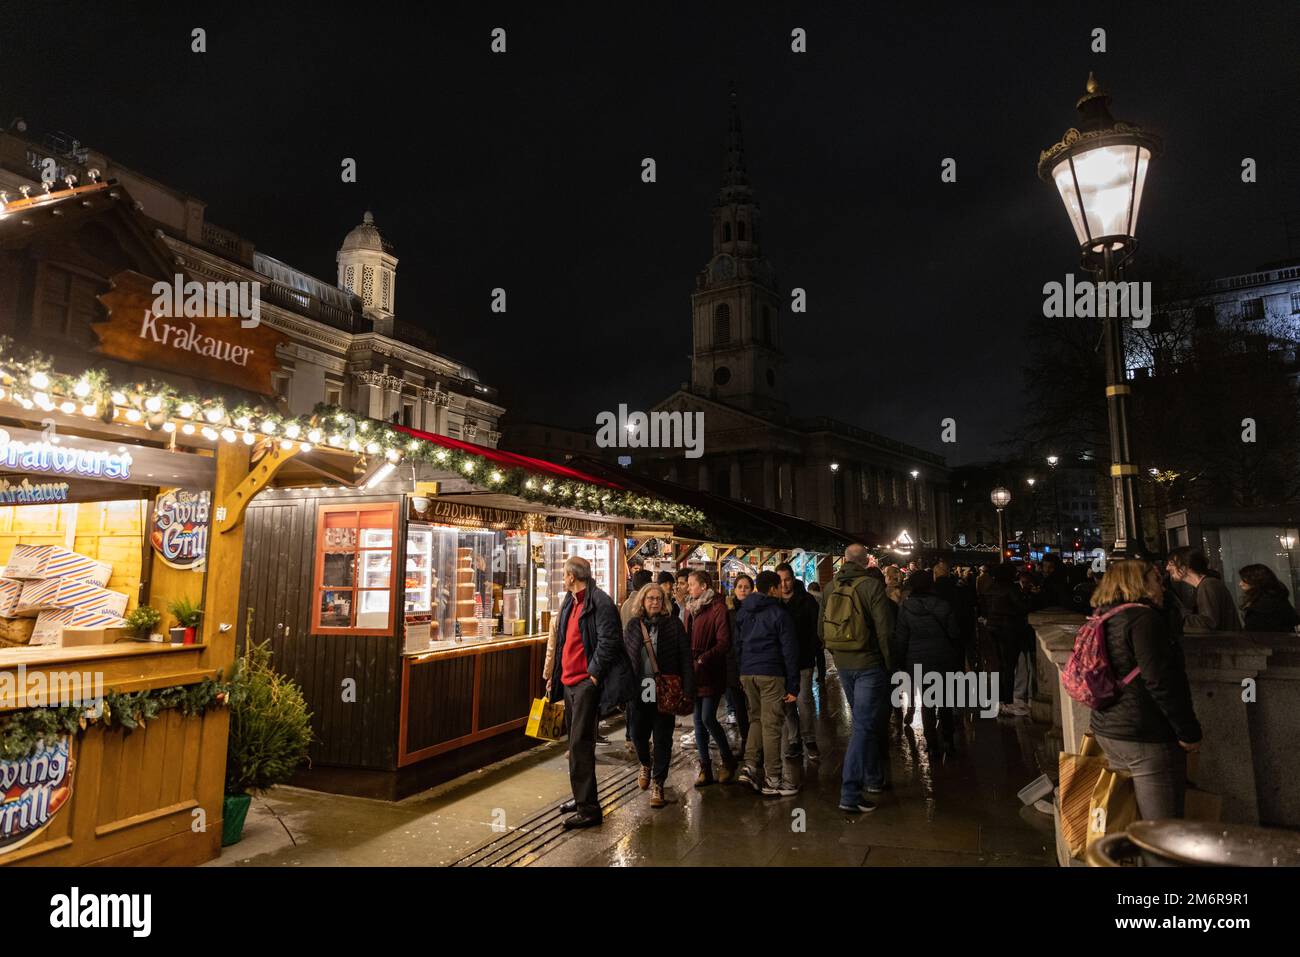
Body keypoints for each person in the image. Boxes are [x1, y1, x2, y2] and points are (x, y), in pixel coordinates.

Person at [1089, 560, 1202, 822]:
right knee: (1162, 828)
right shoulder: (1143, 619)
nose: (1161, 586)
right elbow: (1160, 681)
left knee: (1127, 816)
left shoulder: (1102, 615)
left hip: (1108, 727)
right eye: (1155, 580)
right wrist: (1187, 731)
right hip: (1144, 732)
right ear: (1138, 583)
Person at [544, 556, 631, 829]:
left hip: (584, 684)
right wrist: (555, 677)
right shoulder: (571, 601)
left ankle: (589, 809)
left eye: (564, 573)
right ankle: (581, 797)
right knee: (574, 744)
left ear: (572, 576)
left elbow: (610, 641)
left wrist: (592, 676)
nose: (562, 577)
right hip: (570, 682)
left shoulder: (600, 602)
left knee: (581, 745)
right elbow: (562, 642)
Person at [819, 543, 895, 814]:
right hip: (869, 663)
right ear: (866, 562)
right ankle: (850, 792)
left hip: (843, 662)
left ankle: (874, 778)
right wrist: (889, 664)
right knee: (864, 725)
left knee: (866, 721)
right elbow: (885, 631)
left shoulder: (829, 587)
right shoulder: (871, 586)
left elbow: (821, 629)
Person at [623, 582, 693, 808]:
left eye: (658, 599)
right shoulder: (634, 626)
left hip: (665, 689)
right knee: (637, 734)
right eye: (650, 598)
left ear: (664, 603)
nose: (654, 602)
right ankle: (645, 762)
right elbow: (625, 658)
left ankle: (658, 783)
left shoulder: (674, 625)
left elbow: (685, 658)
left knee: (663, 737)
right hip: (640, 688)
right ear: (642, 601)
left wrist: (688, 690)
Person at [735, 570, 800, 797]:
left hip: (747, 673)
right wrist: (793, 685)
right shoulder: (779, 613)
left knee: (756, 719)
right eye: (778, 586)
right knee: (772, 725)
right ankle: (773, 779)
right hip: (771, 672)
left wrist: (741, 674)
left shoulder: (743, 612)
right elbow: (789, 651)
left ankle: (750, 767)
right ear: (772, 589)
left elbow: (737, 645)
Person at [895, 569, 962, 756]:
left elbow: (901, 638)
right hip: (943, 658)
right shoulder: (943, 605)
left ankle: (932, 744)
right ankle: (948, 741)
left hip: (918, 661)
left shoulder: (905, 608)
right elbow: (954, 633)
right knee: (945, 701)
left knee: (927, 702)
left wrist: (900, 661)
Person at [684, 569, 737, 786]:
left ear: (704, 586)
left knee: (707, 718)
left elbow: (724, 642)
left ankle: (727, 759)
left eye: (691, 584)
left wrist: (703, 659)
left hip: (711, 670)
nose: (688, 588)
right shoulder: (689, 609)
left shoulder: (718, 608)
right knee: (697, 721)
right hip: (693, 672)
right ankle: (705, 767)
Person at [777, 562, 821, 760]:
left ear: (793, 579)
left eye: (787, 579)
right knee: (787, 703)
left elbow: (815, 630)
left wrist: (812, 653)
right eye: (780, 580)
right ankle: (794, 740)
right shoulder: (774, 602)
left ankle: (809, 739)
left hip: (803, 660)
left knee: (804, 700)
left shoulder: (807, 600)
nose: (784, 584)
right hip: (781, 663)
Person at [981, 563, 1031, 716]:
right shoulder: (1011, 588)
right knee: (1009, 665)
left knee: (1000, 664)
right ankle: (1008, 701)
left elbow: (984, 608)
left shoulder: (990, 588)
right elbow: (1022, 607)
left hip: (993, 628)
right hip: (1009, 629)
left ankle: (1001, 699)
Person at [1166, 547, 1241, 632]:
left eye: (1171, 563)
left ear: (1185, 567)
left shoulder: (1208, 585)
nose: (1167, 568)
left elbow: (1209, 623)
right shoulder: (1207, 584)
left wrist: (1176, 619)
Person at [724, 573, 753, 752]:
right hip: (732, 665)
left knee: (754, 707)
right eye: (740, 587)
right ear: (734, 589)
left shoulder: (755, 609)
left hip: (751, 663)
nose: (743, 590)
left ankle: (755, 743)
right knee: (739, 706)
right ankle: (746, 740)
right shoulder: (728, 611)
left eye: (746, 587)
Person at [1238, 564, 1300, 632]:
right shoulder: (1277, 598)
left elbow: (1255, 632)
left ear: (1255, 581)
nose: (1240, 584)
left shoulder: (1262, 606)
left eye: (1244, 580)